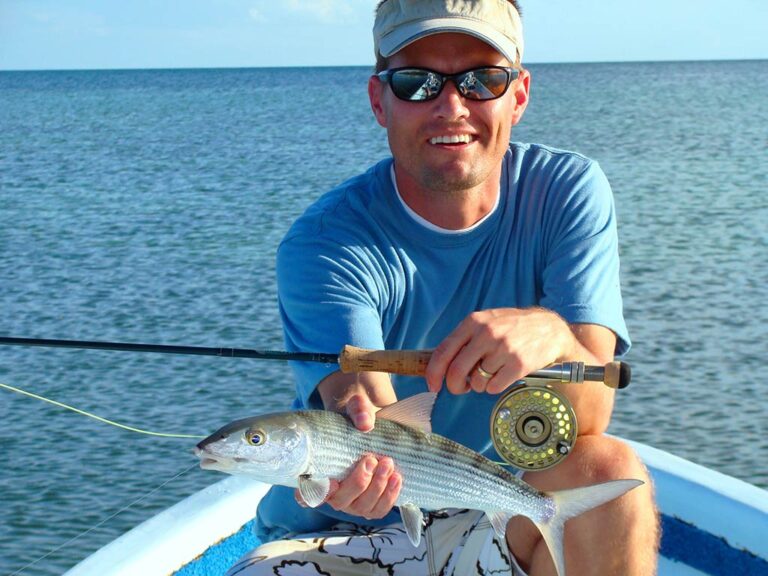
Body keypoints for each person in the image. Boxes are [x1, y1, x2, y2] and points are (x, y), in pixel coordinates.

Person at [230, 1, 659, 574]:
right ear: (379, 101)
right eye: (417, 82)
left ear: (520, 95)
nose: (451, 106)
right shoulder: (325, 243)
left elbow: (591, 416)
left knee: (608, 471)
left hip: (492, 507)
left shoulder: (566, 192)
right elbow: (371, 415)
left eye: (483, 80)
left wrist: (554, 337)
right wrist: (367, 466)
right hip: (341, 531)